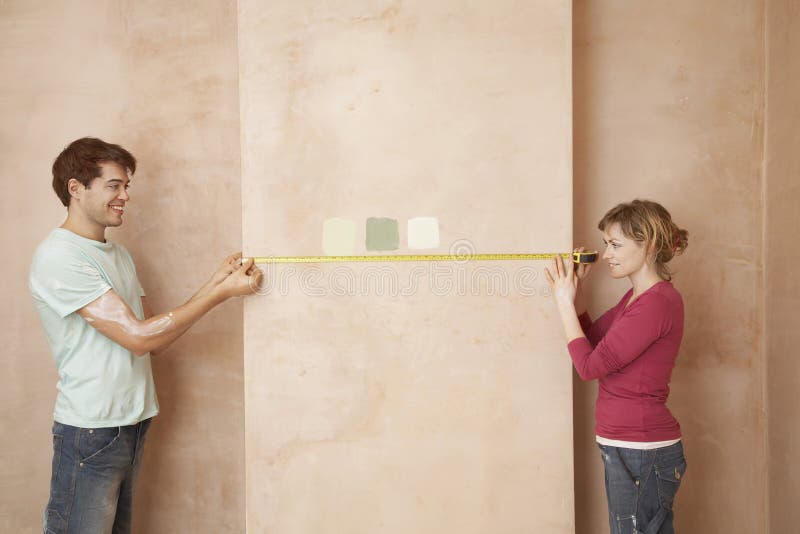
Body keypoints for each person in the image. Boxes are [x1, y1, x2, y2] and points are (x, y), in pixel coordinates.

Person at [28, 137, 262, 534]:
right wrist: (221, 295)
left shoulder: (117, 256)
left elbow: (155, 336)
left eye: (127, 187)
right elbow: (140, 338)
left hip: (131, 422)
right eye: (114, 185)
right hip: (91, 428)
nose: (125, 196)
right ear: (75, 187)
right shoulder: (60, 257)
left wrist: (216, 282)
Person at [544, 199, 689, 534]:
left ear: (649, 244)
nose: (606, 254)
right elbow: (593, 340)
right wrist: (577, 293)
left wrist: (563, 302)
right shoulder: (636, 297)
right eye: (606, 244)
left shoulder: (658, 303)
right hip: (627, 445)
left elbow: (589, 367)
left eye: (615, 244)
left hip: (642, 449)